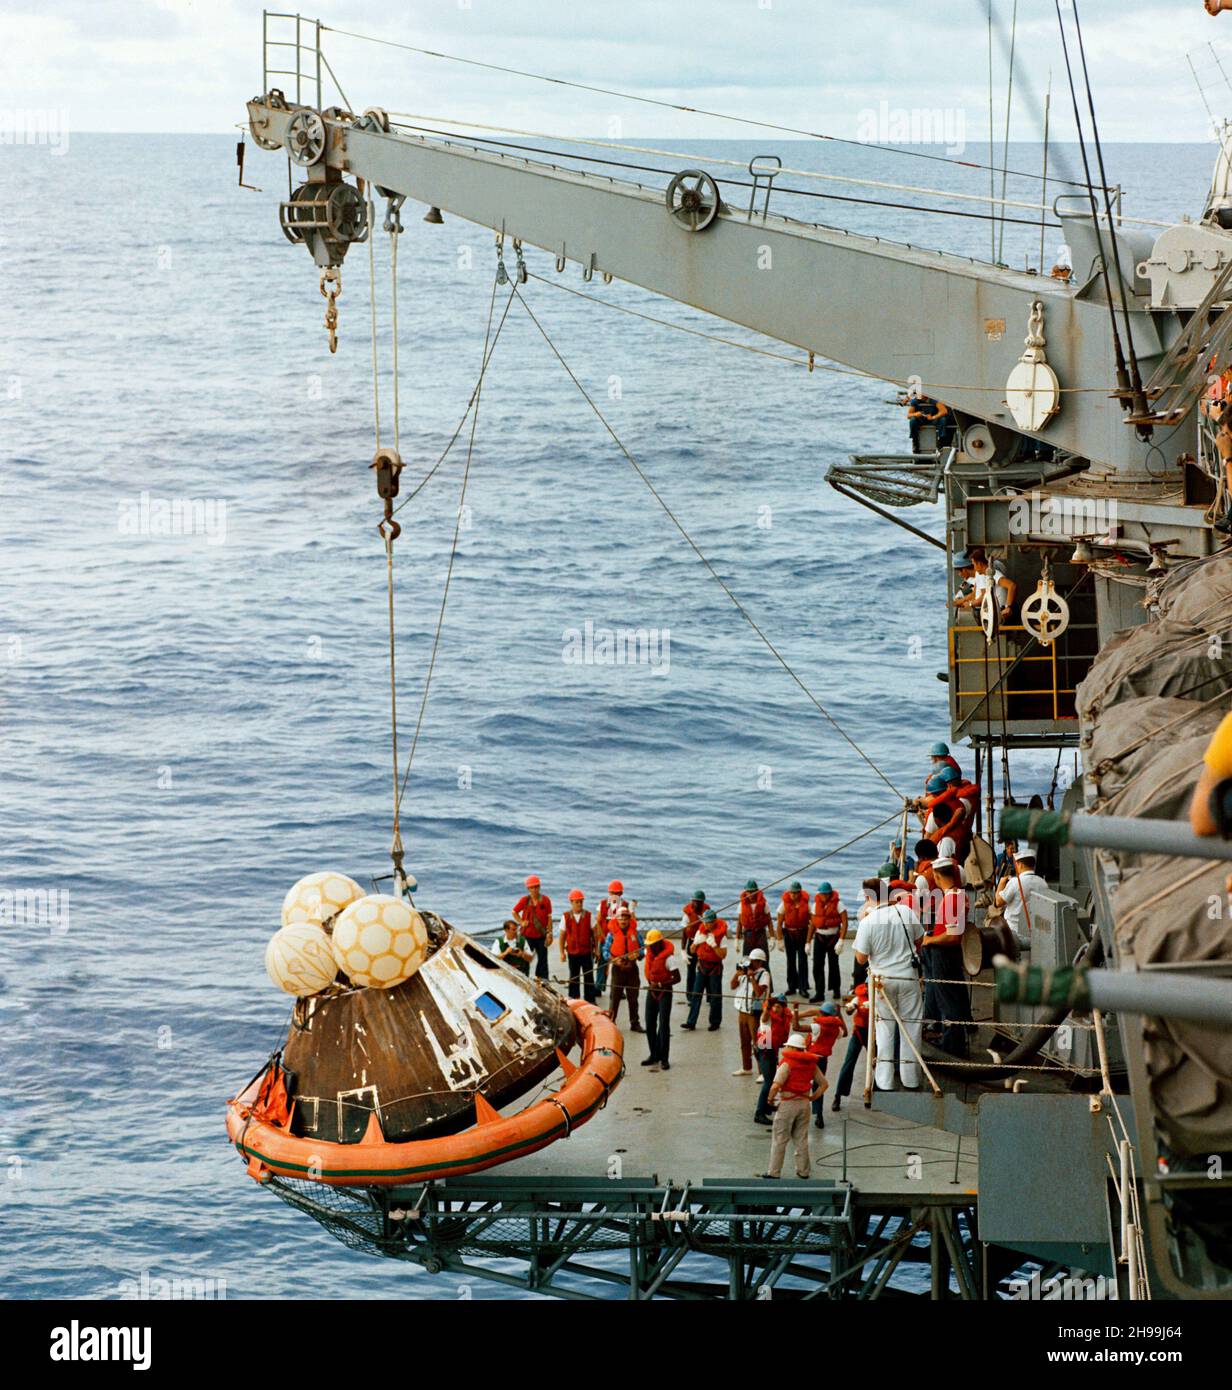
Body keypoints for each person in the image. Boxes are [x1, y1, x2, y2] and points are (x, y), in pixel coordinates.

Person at [853, 879, 926, 1091]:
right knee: (911, 1028)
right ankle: (910, 1079)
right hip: (908, 979)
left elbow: (860, 958)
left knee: (884, 1031)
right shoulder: (906, 913)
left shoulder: (868, 922)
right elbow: (919, 941)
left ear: (868, 898)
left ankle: (884, 1083)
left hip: (882, 983)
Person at [918, 860, 971, 1057]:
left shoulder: (951, 900)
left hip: (943, 953)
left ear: (937, 876)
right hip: (949, 954)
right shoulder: (959, 895)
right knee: (952, 996)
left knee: (946, 1000)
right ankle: (951, 1040)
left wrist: (929, 940)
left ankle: (952, 1045)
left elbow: (952, 936)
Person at [761, 1031, 827, 1180]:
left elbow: (776, 1085)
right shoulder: (811, 1064)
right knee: (801, 1139)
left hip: (787, 1105)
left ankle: (774, 1172)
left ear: (791, 1047)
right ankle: (803, 1171)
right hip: (804, 1104)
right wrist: (812, 1097)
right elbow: (824, 1084)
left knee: (780, 1139)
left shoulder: (787, 1063)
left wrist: (770, 1100)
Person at [799, 1002, 846, 1128]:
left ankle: (800, 1112)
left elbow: (797, 1027)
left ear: (822, 1013)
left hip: (810, 1059)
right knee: (818, 1086)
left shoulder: (817, 1027)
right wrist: (840, 1016)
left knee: (802, 1084)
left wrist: (796, 1012)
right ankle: (819, 1115)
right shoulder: (836, 1029)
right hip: (823, 1060)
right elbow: (845, 1033)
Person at [831, 964, 871, 1112]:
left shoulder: (880, 996)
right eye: (867, 985)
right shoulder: (859, 997)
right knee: (848, 1063)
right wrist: (851, 1008)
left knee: (877, 1065)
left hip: (874, 1034)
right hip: (859, 1032)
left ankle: (872, 1094)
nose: (868, 988)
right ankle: (838, 1095)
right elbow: (849, 1009)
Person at [754, 993, 795, 1125]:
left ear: (784, 1008)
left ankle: (766, 1105)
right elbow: (764, 1018)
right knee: (768, 1081)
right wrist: (767, 1008)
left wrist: (797, 1010)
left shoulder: (785, 1016)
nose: (775, 1009)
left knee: (771, 1080)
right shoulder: (768, 1016)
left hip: (773, 1049)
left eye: (778, 1007)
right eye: (774, 1006)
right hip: (764, 1049)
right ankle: (759, 1113)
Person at [683, 908, 727, 1031]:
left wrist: (714, 945)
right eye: (704, 922)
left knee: (715, 995)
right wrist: (696, 943)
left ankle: (715, 1022)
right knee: (696, 994)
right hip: (702, 965)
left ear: (714, 922)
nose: (705, 925)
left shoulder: (721, 936)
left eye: (708, 922)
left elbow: (723, 955)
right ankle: (691, 1022)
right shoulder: (700, 932)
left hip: (715, 967)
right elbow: (692, 950)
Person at [731, 948, 770, 1076]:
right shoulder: (745, 972)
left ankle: (764, 1072)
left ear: (759, 962)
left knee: (761, 1043)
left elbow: (759, 992)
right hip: (743, 1011)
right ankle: (746, 1067)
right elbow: (732, 986)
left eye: (753, 961)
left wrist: (752, 978)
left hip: (757, 1013)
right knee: (744, 1042)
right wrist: (738, 974)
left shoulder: (764, 974)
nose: (751, 963)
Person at [641, 929, 676, 1071]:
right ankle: (653, 1054)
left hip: (664, 993)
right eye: (649, 945)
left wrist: (661, 984)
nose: (650, 947)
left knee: (663, 1025)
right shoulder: (648, 954)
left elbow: (677, 978)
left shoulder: (669, 959)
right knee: (649, 1023)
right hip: (651, 992)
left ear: (660, 943)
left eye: (653, 944)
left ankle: (664, 1059)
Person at [994, 853, 1047, 944]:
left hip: (1014, 933)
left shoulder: (1015, 883)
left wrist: (1001, 883)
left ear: (1020, 864)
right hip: (1035, 932)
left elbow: (998, 902)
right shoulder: (1043, 883)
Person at [606, 903, 643, 1032]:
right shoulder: (611, 934)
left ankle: (635, 1023)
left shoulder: (636, 934)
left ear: (629, 919)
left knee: (633, 998)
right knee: (614, 998)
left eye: (626, 918)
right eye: (621, 918)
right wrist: (614, 960)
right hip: (618, 969)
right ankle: (611, 1022)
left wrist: (638, 955)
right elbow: (605, 951)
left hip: (632, 970)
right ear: (617, 919)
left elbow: (643, 950)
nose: (623, 920)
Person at [807, 881, 846, 1002]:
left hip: (833, 937)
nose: (825, 896)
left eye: (827, 894)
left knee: (833, 965)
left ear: (830, 894)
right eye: (823, 894)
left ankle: (836, 989)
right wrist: (808, 942)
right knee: (817, 966)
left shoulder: (839, 904)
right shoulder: (815, 905)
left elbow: (845, 923)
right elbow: (813, 924)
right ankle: (819, 993)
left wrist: (841, 940)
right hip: (819, 938)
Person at [512, 875, 553, 981]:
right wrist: (521, 922)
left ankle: (543, 980)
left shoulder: (546, 900)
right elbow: (514, 912)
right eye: (532, 887)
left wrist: (550, 934)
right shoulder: (525, 900)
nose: (535, 889)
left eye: (536, 887)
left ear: (539, 887)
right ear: (528, 889)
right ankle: (524, 978)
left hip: (541, 935)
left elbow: (549, 918)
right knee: (525, 958)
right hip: (527, 935)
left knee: (543, 959)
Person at [559, 888, 596, 1002]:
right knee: (574, 975)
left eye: (581, 901)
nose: (579, 904)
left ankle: (590, 998)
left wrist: (597, 949)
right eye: (577, 902)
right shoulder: (565, 917)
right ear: (571, 902)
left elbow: (595, 935)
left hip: (586, 952)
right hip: (572, 952)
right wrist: (562, 953)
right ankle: (574, 997)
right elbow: (562, 936)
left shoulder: (589, 916)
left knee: (588, 976)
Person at [776, 880, 812, 997]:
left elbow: (812, 922)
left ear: (800, 893)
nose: (793, 895)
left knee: (802, 962)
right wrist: (780, 939)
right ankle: (791, 986)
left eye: (796, 893)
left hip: (802, 934)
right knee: (790, 962)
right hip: (789, 935)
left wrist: (808, 941)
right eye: (792, 893)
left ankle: (803, 987)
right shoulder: (783, 904)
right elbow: (779, 922)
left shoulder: (807, 904)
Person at [680, 888, 710, 1012]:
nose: (696, 904)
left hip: (704, 942)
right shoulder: (687, 914)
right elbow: (684, 933)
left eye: (699, 902)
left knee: (706, 969)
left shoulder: (707, 912)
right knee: (691, 970)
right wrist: (683, 951)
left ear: (703, 903)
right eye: (695, 901)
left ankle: (710, 996)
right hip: (692, 942)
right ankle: (690, 996)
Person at [594, 879, 625, 996]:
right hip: (605, 939)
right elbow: (598, 922)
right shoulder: (602, 905)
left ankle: (617, 990)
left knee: (619, 965)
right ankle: (598, 987)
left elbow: (629, 921)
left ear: (621, 894)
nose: (614, 895)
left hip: (619, 940)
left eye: (617, 893)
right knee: (602, 963)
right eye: (612, 893)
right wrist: (602, 937)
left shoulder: (625, 906)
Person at [738, 879, 772, 957]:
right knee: (747, 958)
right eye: (749, 892)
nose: (751, 894)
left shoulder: (764, 903)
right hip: (748, 934)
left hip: (761, 933)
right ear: (746, 892)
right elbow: (740, 921)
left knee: (763, 957)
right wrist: (737, 938)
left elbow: (769, 921)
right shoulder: (741, 905)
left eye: (753, 892)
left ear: (757, 891)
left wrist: (772, 937)